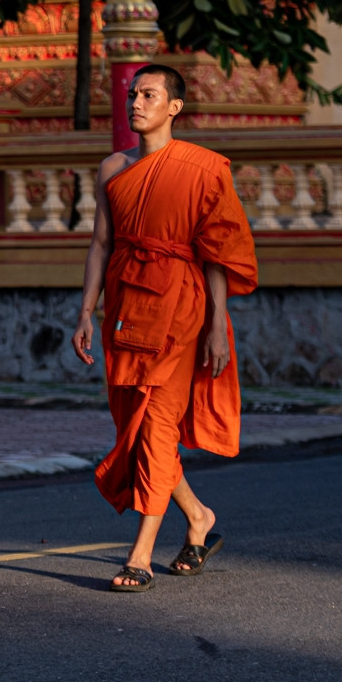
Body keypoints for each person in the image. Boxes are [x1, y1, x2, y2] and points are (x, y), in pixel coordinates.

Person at [72, 63, 258, 592]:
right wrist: (86, 310)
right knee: (135, 423)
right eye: (133, 94)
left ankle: (140, 554)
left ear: (174, 107)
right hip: (127, 304)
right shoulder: (114, 167)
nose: (136, 102)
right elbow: (101, 245)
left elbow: (218, 252)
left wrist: (218, 326)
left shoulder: (203, 168)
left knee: (156, 425)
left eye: (149, 95)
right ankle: (198, 517)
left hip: (182, 304)